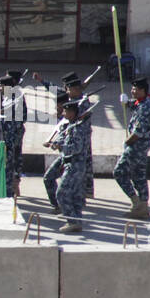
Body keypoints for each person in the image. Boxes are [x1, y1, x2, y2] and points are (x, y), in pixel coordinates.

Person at [114, 77, 150, 220]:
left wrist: (127, 141)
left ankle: (136, 202)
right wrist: (126, 103)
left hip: (137, 145)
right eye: (132, 89)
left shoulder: (145, 107)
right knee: (139, 175)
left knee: (119, 172)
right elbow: (134, 105)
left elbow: (138, 132)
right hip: (142, 145)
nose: (132, 91)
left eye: (135, 89)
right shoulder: (143, 102)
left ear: (143, 90)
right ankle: (143, 207)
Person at [56, 100, 89, 234]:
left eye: (65, 111)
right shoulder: (70, 126)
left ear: (72, 112)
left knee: (62, 193)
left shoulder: (78, 128)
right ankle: (76, 221)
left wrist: (61, 147)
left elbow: (77, 148)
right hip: (71, 163)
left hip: (75, 165)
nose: (63, 113)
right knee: (75, 195)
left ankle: (72, 221)